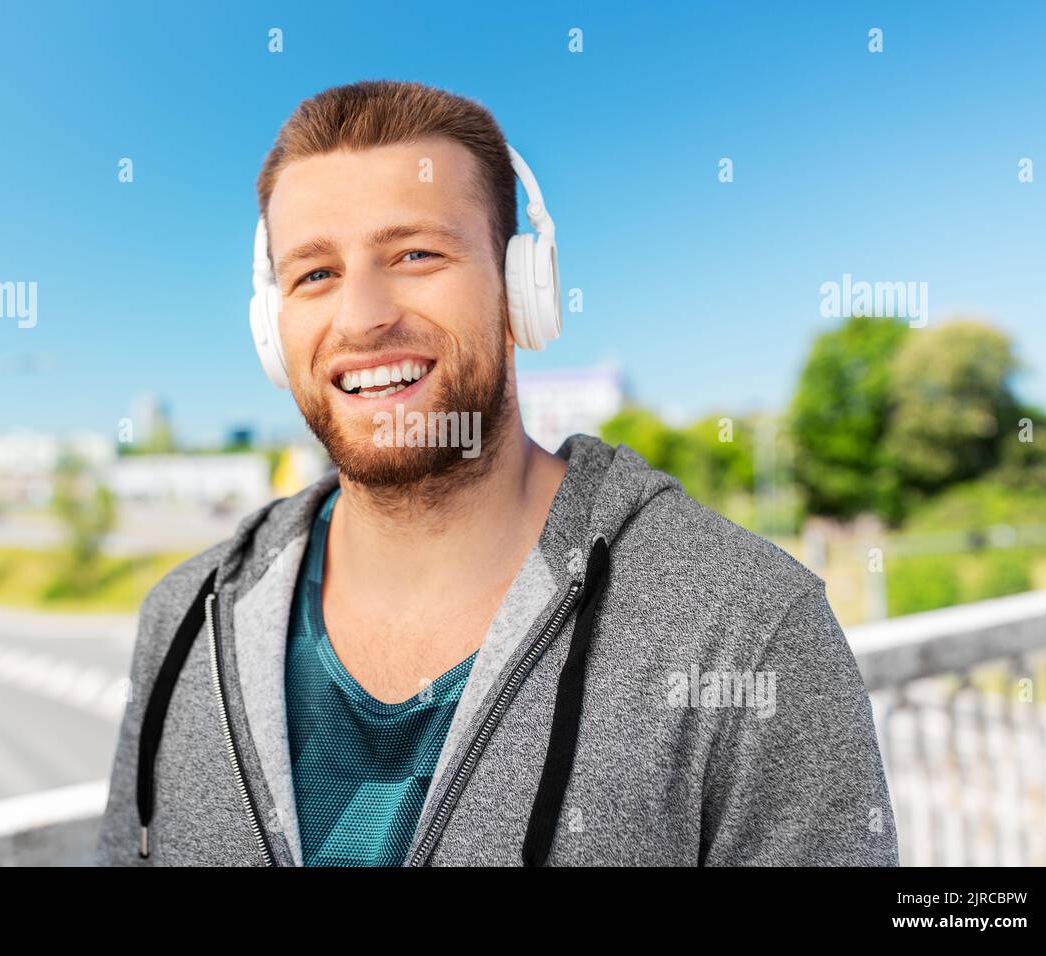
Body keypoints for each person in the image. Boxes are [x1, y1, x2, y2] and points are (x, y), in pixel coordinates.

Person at [96, 79, 899, 866]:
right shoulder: (186, 622)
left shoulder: (746, 631)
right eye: (315, 273)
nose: (362, 315)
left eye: (414, 253)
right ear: (272, 334)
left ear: (524, 290)